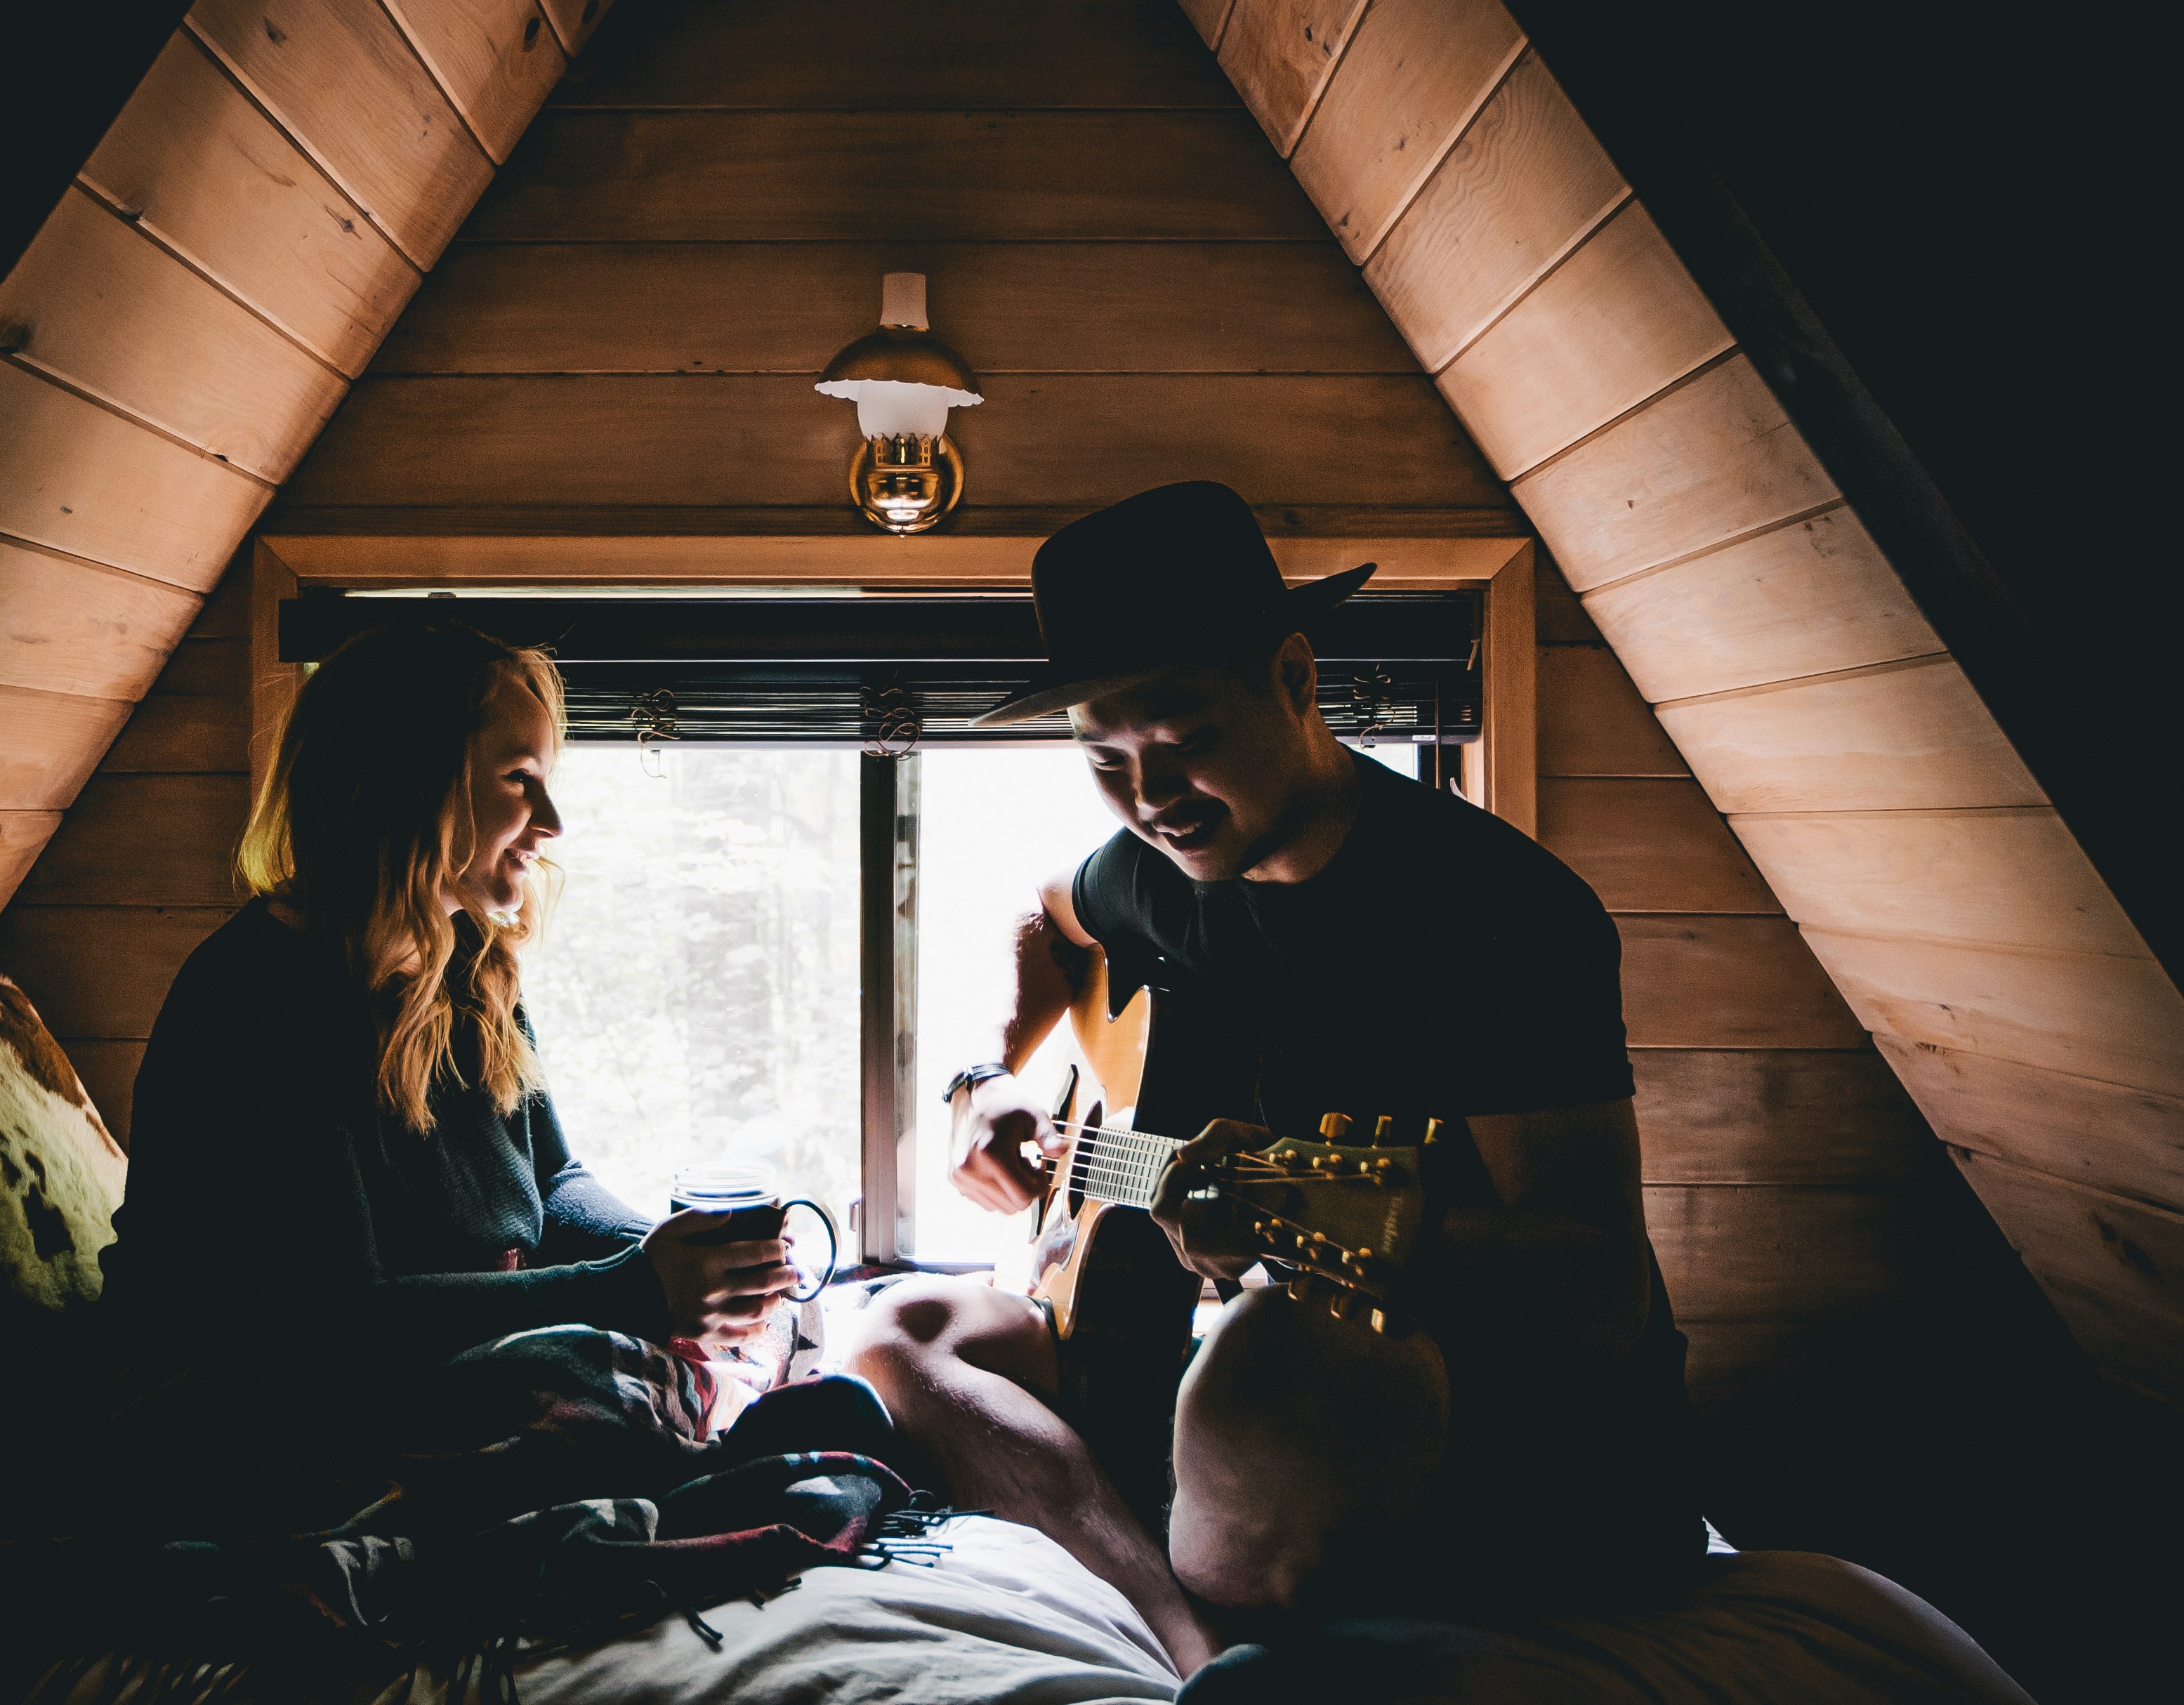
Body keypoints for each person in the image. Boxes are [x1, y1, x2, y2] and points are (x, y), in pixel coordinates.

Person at [838, 483, 1697, 1675]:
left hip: (1458, 1406)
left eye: (1182, 738)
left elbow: (1597, 1290)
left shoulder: (1497, 916)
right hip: (1203, 1343)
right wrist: (989, 1078)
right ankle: (1191, 1643)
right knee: (899, 1328)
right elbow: (1044, 920)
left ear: (1291, 677)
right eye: (1106, 757)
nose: (1148, 797)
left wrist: (1317, 1214)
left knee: (1287, 1384)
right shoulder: (1158, 867)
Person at [100, 621, 797, 1482]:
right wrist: (632, 1289)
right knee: (612, 1393)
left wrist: (677, 1255)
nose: (551, 822)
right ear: (408, 782)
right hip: (256, 1419)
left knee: (791, 1374)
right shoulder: (253, 1002)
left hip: (431, 1372)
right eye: (519, 780)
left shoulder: (466, 960)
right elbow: (333, 1332)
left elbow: (550, 1182)